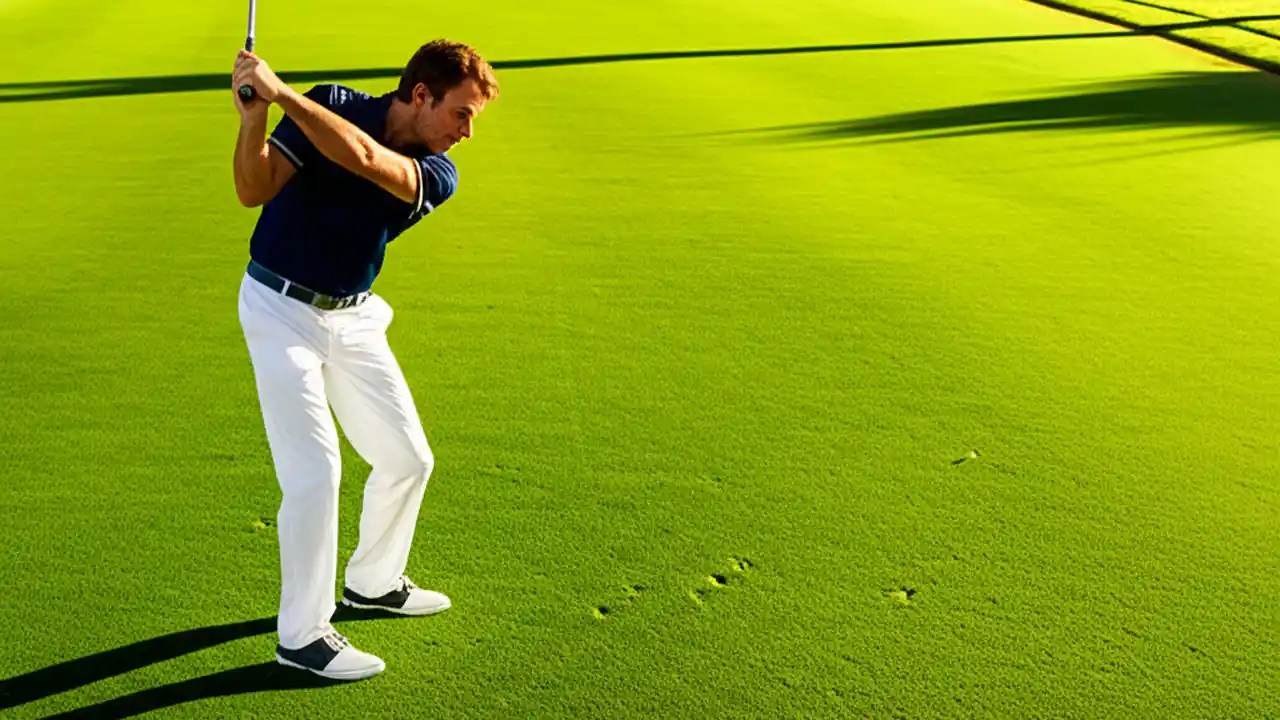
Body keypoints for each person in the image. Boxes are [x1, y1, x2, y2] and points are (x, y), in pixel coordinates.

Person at [230, 39, 498, 681]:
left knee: (409, 458)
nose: (466, 132)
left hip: (352, 317)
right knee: (315, 475)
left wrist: (281, 92)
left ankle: (374, 582)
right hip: (277, 308)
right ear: (422, 94)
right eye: (461, 114)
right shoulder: (333, 102)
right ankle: (301, 635)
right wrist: (253, 118)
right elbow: (252, 187)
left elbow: (367, 158)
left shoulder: (437, 173)